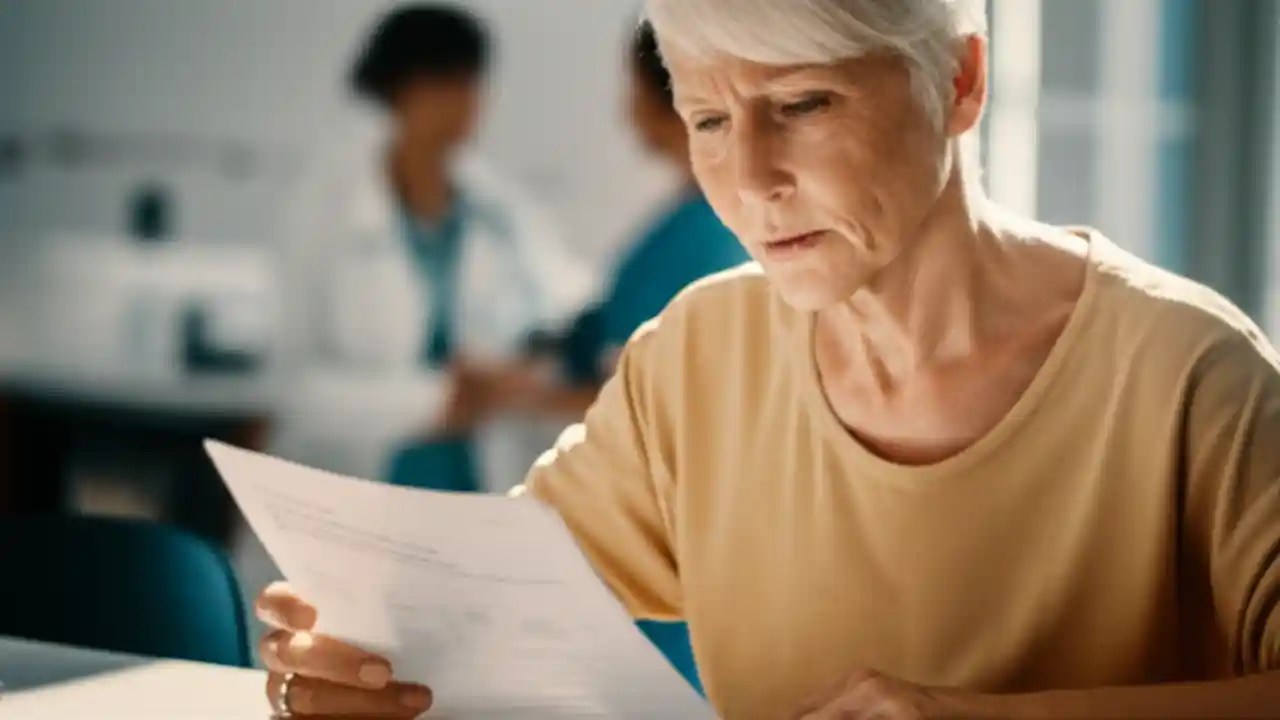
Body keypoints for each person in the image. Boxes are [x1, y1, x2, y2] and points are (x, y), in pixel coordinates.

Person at [256, 0, 1280, 717]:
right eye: (707, 120)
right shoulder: (700, 356)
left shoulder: (1190, 374)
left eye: (802, 105)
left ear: (958, 82)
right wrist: (361, 651)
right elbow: (481, 606)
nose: (747, 180)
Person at [269, 4, 591, 492]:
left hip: (477, 476)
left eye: (470, 81)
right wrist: (436, 400)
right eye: (442, 83)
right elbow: (291, 387)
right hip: (359, 478)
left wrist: (520, 371)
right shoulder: (326, 214)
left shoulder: (501, 212)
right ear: (397, 92)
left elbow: (562, 315)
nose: (462, 101)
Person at [455, 22, 749, 423]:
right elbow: (594, 337)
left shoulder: (713, 236)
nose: (626, 106)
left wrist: (518, 396)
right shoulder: (686, 220)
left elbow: (661, 402)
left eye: (633, 86)